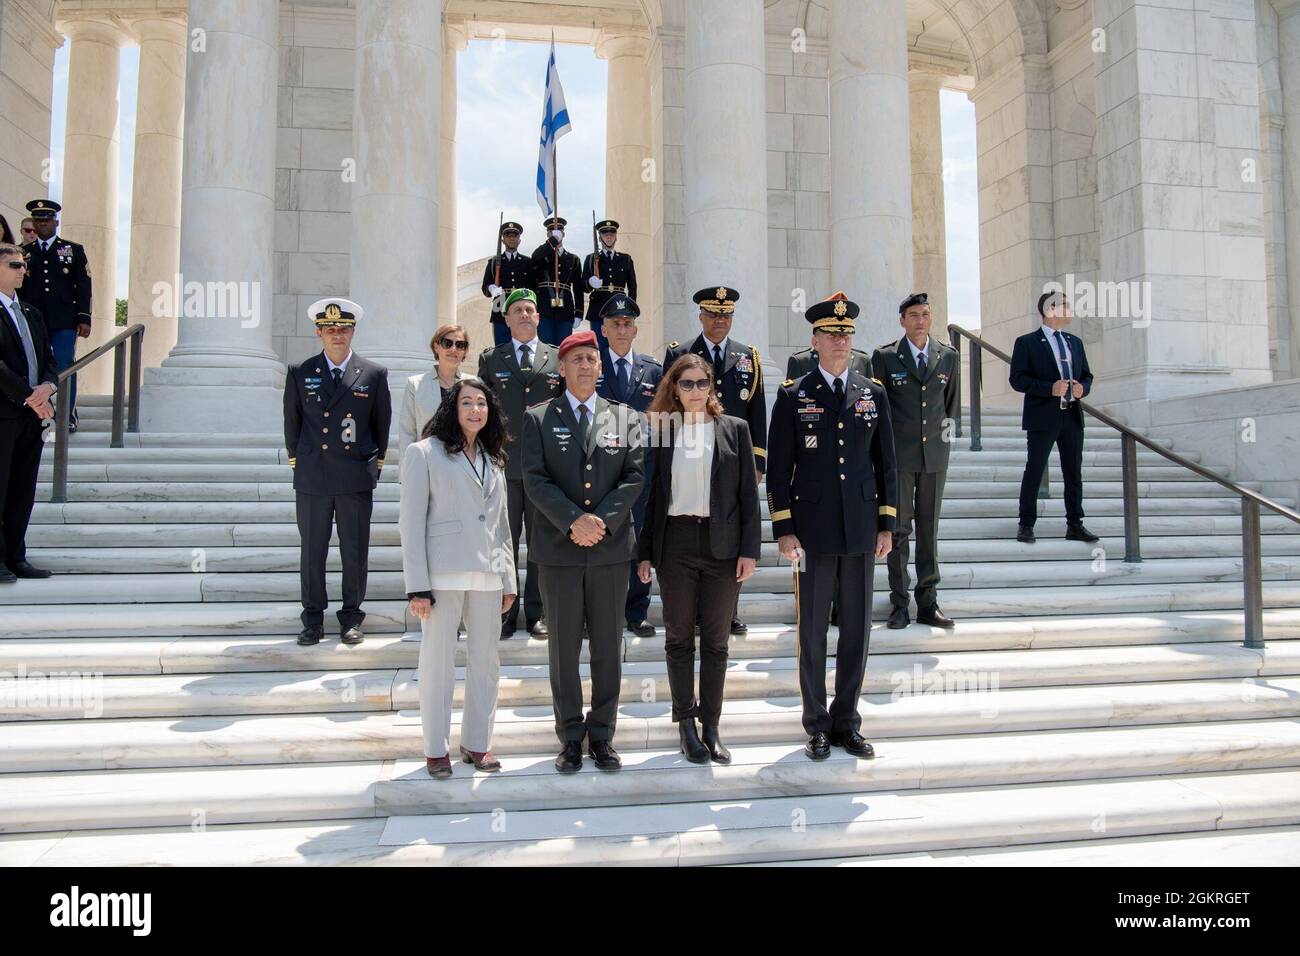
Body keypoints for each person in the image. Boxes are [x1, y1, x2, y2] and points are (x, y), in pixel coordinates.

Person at [767, 292, 897, 761]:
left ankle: (847, 722)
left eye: (846, 334)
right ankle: (817, 723)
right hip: (814, 533)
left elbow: (887, 466)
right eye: (831, 334)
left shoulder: (872, 393)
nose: (840, 341)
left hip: (862, 529)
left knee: (858, 632)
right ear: (815, 341)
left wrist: (887, 524)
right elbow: (779, 471)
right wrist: (784, 529)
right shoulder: (793, 395)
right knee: (813, 634)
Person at [521, 330, 644, 773]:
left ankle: (604, 735)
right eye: (577, 360)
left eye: (592, 359)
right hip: (559, 550)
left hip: (609, 551)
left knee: (609, 647)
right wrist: (574, 519)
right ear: (562, 367)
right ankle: (571, 735)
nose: (586, 366)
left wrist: (602, 522)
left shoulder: (625, 417)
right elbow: (534, 480)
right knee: (564, 647)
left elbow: (633, 477)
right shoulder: (538, 417)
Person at [637, 353, 760, 764]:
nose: (694, 391)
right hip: (676, 542)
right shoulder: (663, 431)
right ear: (674, 387)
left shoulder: (734, 430)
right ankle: (686, 725)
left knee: (717, 641)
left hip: (722, 545)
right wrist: (644, 552)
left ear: (712, 387)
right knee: (677, 638)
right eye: (686, 384)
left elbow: (747, 496)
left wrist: (749, 550)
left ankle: (712, 725)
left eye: (701, 383)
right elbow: (653, 496)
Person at [400, 377, 516, 779]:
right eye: (467, 402)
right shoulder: (423, 453)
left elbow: (501, 524)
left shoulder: (494, 458)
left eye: (481, 403)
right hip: (443, 574)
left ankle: (476, 743)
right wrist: (417, 585)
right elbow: (410, 523)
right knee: (438, 664)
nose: (475, 410)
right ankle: (436, 749)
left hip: (487, 575)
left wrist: (509, 578)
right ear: (452, 407)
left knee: (486, 663)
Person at [283, 298, 392, 647]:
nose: (337, 334)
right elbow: (292, 424)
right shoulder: (300, 371)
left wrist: (373, 466)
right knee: (312, 550)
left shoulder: (373, 374)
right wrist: (297, 460)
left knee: (354, 550)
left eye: (343, 329)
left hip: (354, 476)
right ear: (319, 333)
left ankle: (351, 617)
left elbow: (381, 425)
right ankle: (312, 619)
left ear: (353, 331)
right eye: (330, 329)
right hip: (313, 475)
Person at [663, 286, 766, 636]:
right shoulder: (681, 353)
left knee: (729, 532)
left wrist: (758, 462)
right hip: (688, 454)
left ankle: (727, 611)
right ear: (701, 316)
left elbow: (756, 413)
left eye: (726, 315)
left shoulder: (747, 356)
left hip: (732, 461)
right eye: (713, 313)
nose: (720, 320)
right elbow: (667, 404)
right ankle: (691, 611)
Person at [477, 288, 561, 638]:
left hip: (545, 469)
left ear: (538, 317)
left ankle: (536, 612)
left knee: (541, 542)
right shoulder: (491, 359)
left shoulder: (557, 358)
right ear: (507, 319)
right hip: (504, 465)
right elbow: (481, 412)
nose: (525, 315)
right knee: (504, 543)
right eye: (518, 311)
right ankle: (505, 612)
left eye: (530, 310)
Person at [873, 292, 960, 630]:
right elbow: (879, 411)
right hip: (899, 458)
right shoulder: (885, 357)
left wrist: (944, 450)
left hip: (934, 458)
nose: (920, 320)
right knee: (898, 530)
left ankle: (928, 602)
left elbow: (951, 408)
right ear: (902, 321)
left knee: (929, 530)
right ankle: (899, 604)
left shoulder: (948, 357)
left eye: (925, 313)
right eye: (913, 315)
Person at [594, 294, 661, 637]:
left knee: (638, 537)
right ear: (603, 329)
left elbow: (664, 422)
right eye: (615, 324)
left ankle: (637, 610)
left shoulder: (653, 370)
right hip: (600, 466)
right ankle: (601, 611)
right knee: (600, 535)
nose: (622, 329)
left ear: (635, 330)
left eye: (627, 324)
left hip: (642, 467)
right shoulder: (590, 365)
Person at [1010, 291, 1098, 545]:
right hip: (1043, 416)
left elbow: (1087, 375)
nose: (1070, 309)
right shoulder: (1027, 343)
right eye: (1066, 305)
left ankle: (1075, 524)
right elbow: (1017, 379)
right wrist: (1049, 388)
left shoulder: (1075, 342)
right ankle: (1026, 524)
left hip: (1071, 416)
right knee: (1035, 469)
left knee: (1073, 472)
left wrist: (1083, 387)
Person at [0, 243, 58, 583]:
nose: (23, 270)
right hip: (6, 412)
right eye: (14, 265)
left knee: (23, 488)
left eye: (23, 265)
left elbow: (50, 360)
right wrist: (29, 396)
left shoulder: (32, 313)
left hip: (31, 416)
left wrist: (48, 388)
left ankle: (16, 556)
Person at [20, 200, 91, 433]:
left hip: (64, 321)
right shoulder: (24, 253)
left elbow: (83, 285)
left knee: (64, 366)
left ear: (56, 222)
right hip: (33, 322)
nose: (43, 224)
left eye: (47, 220)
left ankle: (66, 414)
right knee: (36, 367)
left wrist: (84, 317)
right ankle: (39, 412)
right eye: (38, 220)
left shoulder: (72, 250)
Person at [398, 323, 469, 455]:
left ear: (465, 351)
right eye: (447, 343)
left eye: (460, 345)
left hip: (465, 464)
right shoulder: (415, 385)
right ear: (436, 346)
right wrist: (407, 471)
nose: (454, 349)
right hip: (428, 463)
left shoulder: (474, 384)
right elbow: (407, 433)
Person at [581, 219, 637, 352]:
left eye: (612, 233)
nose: (609, 236)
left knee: (619, 348)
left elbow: (633, 287)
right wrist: (590, 282)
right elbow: (583, 286)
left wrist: (632, 309)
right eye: (605, 234)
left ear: (616, 237)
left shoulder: (625, 259)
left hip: (620, 309)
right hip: (598, 310)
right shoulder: (591, 259)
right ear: (600, 237)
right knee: (600, 348)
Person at [529, 216, 584, 347]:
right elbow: (534, 257)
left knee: (564, 348)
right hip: (545, 308)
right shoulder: (542, 255)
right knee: (545, 348)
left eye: (559, 231)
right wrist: (552, 241)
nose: (556, 234)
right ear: (548, 235)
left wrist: (579, 313)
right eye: (551, 232)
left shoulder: (573, 259)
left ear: (563, 234)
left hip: (566, 310)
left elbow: (577, 287)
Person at [481, 221, 532, 348]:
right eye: (508, 235)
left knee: (522, 345)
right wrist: (491, 288)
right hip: (500, 303)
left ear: (519, 240)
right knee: (502, 346)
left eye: (515, 235)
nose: (511, 238)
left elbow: (533, 287)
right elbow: (485, 286)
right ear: (503, 240)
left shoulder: (527, 262)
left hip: (520, 305)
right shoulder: (494, 262)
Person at [786, 344, 872, 380]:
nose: (839, 341)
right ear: (816, 341)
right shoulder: (801, 361)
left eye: (844, 335)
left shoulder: (862, 360)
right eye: (832, 336)